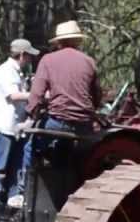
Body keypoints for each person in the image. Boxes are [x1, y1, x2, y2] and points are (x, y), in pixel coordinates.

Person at [12, 21, 102, 206]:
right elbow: (96, 96)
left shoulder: (48, 60)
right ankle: (71, 193)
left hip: (58, 120)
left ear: (58, 42)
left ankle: (24, 192)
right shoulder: (89, 62)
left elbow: (36, 93)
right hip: (83, 124)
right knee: (69, 152)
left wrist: (31, 116)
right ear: (77, 41)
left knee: (31, 146)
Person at [0, 38, 39, 211]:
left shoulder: (18, 73)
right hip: (4, 126)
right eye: (29, 56)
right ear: (22, 55)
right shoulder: (6, 71)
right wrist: (36, 95)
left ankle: (11, 200)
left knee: (16, 167)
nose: (31, 59)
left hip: (16, 127)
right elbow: (13, 96)